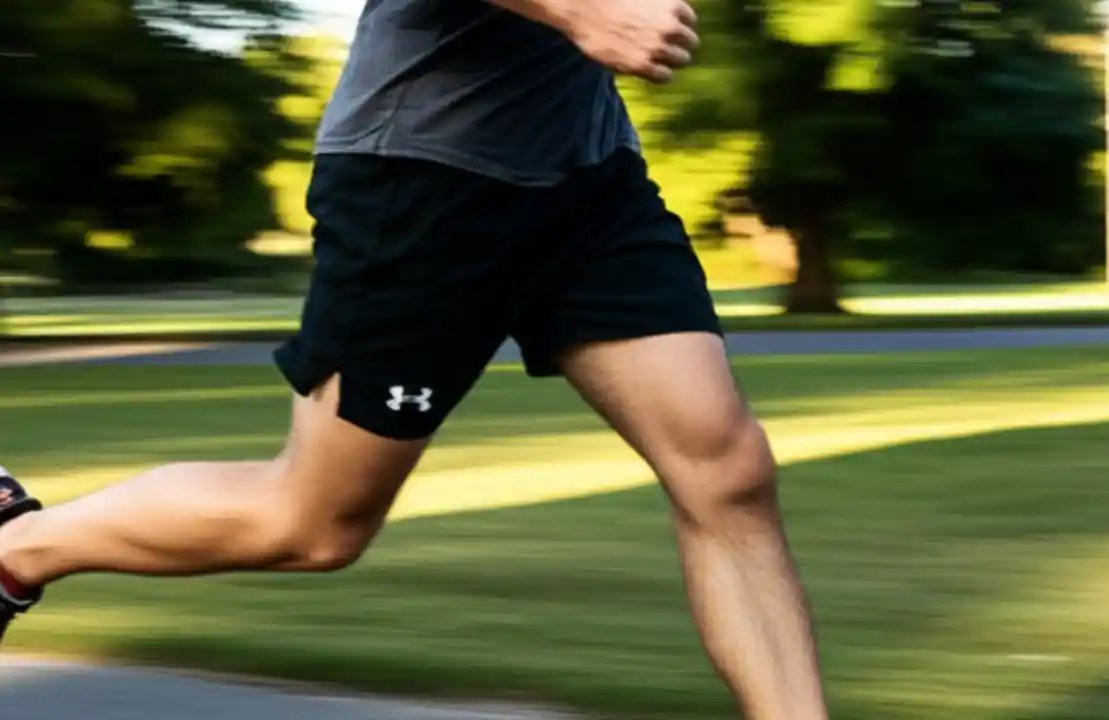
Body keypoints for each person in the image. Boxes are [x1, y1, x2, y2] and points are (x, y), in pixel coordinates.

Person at [0, 0, 830, 716]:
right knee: (312, 525)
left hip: (587, 180)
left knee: (728, 472)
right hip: (423, 179)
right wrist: (579, 10)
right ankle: (17, 550)